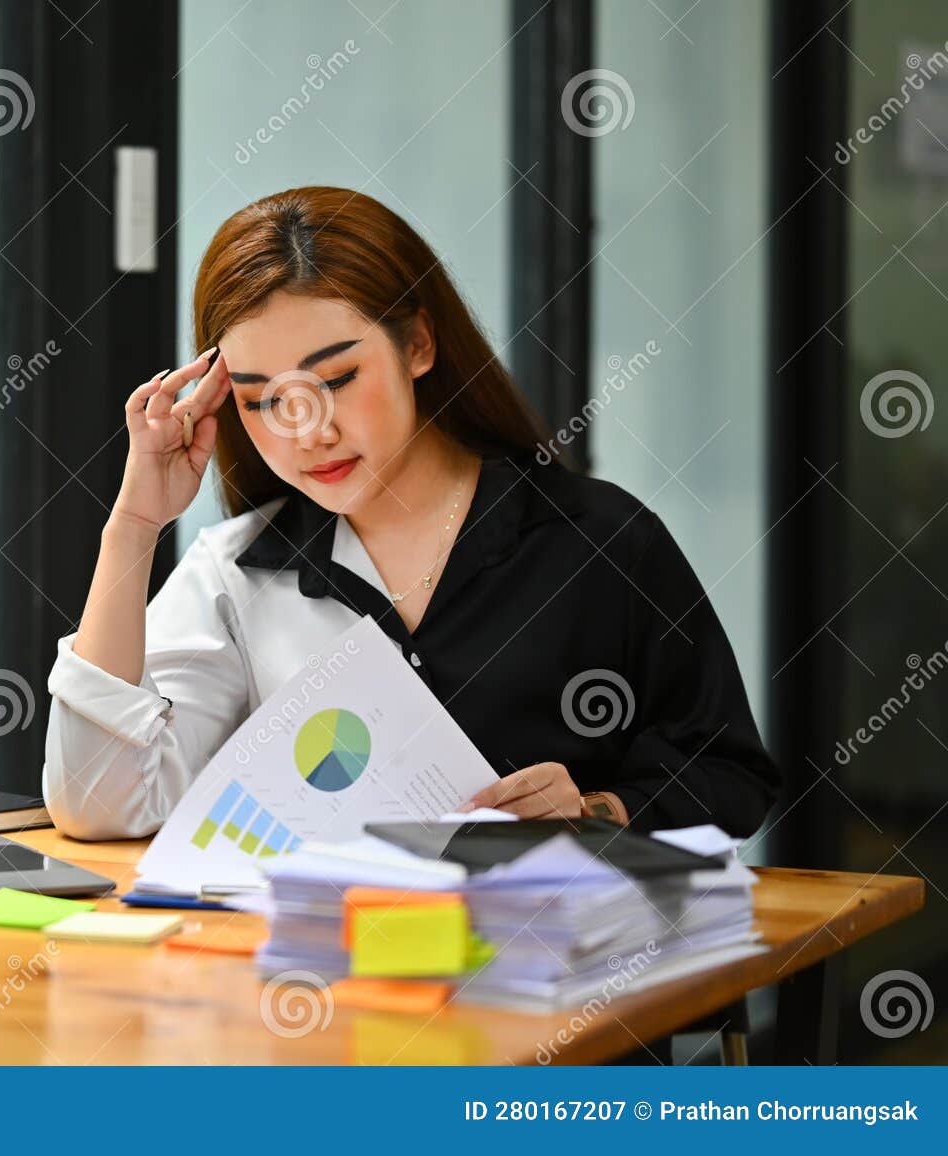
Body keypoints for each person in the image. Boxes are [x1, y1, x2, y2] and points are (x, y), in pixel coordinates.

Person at [41, 185, 780, 842]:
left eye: (337, 379)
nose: (308, 431)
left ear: (418, 344)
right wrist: (134, 526)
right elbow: (99, 806)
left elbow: (730, 778)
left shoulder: (600, 542)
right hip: (330, 954)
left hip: (557, 950)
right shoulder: (237, 574)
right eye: (262, 399)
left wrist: (598, 812)